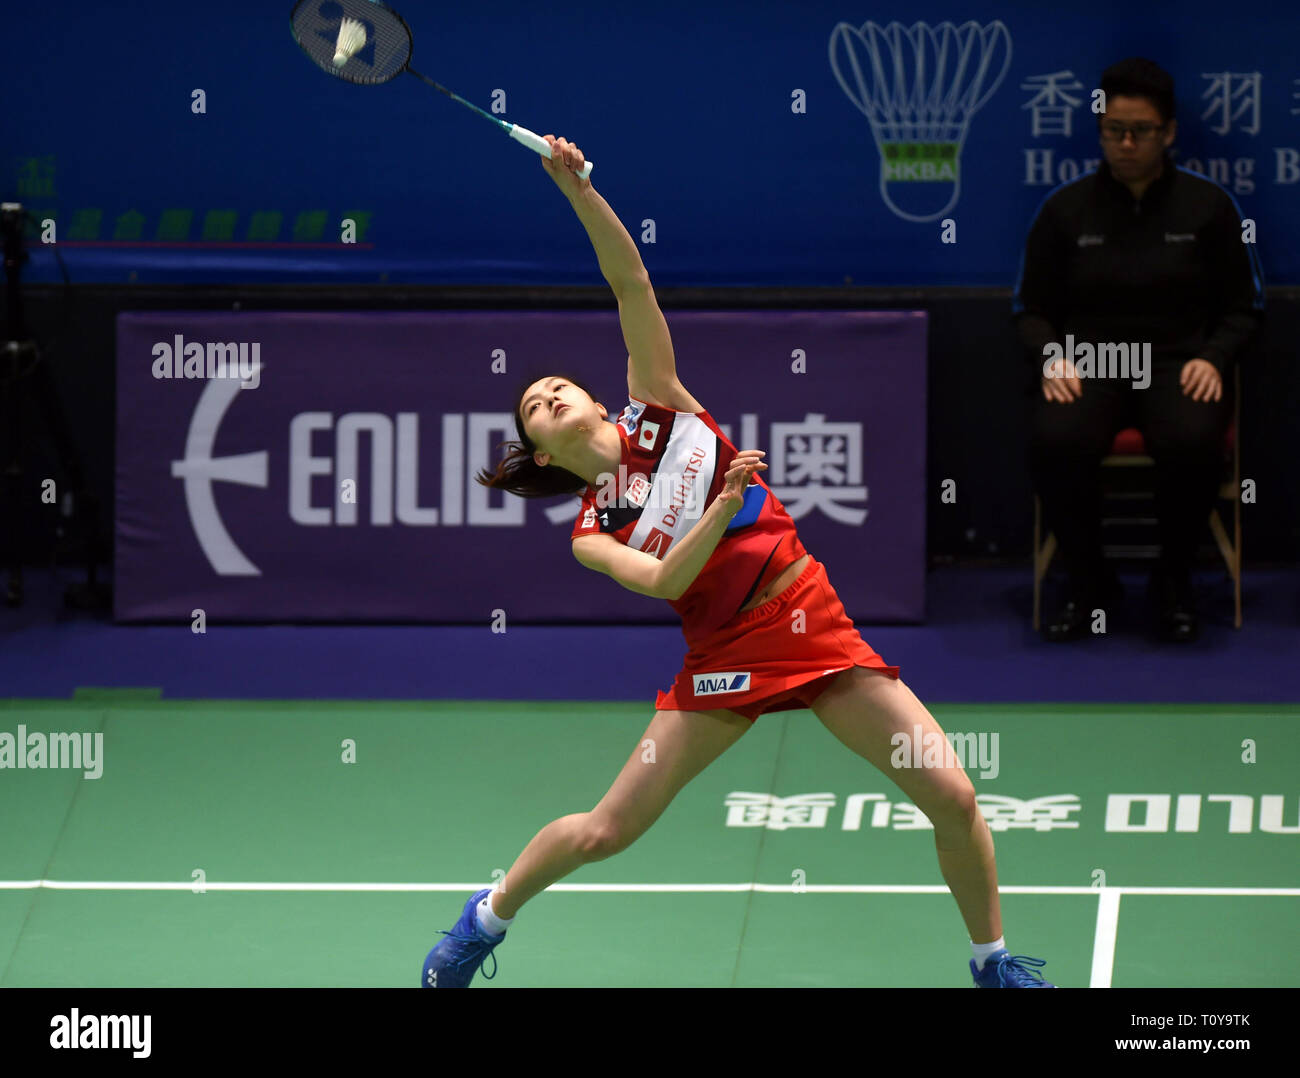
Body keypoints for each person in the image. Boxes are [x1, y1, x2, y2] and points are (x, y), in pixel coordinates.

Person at [422, 135, 1055, 988]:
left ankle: (992, 964)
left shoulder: (659, 402)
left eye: (555, 387)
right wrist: (720, 512)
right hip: (722, 662)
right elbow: (663, 580)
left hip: (812, 627)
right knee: (610, 829)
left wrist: (575, 190)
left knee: (952, 795)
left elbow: (628, 280)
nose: (547, 396)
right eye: (532, 406)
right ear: (538, 447)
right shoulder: (589, 529)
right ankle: (483, 920)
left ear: (598, 398)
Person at [1014, 57, 1264, 643]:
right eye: (1113, 131)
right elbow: (1030, 309)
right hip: (1091, 364)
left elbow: (1245, 306)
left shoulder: (1209, 207)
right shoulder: (1064, 209)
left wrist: (1216, 356)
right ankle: (1089, 581)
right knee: (1055, 441)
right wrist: (1051, 356)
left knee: (1195, 440)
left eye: (1141, 131)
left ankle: (1172, 582)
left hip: (1178, 364)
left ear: (1169, 132)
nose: (1126, 143)